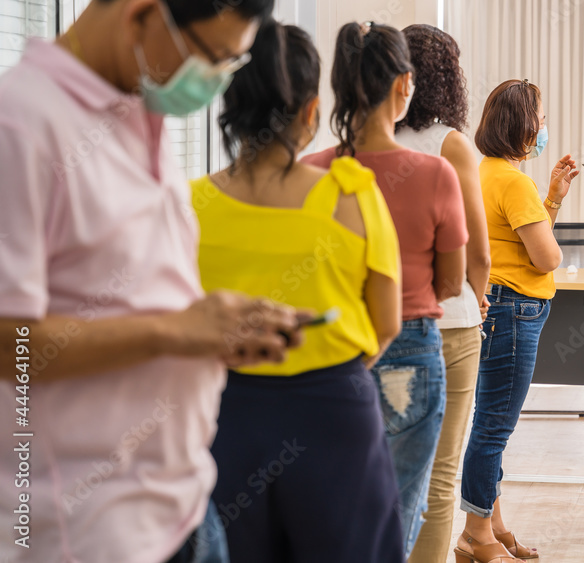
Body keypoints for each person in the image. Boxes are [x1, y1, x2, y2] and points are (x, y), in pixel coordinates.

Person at [0, 1, 309, 562]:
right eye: (213, 57)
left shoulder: (136, 110)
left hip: (185, 505)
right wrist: (177, 333)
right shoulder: (20, 125)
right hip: (90, 532)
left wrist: (220, 327)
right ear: (141, 14)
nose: (214, 79)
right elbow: (8, 344)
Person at [190, 20, 405, 562]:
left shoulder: (187, 206)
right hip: (336, 414)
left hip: (221, 416)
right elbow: (386, 324)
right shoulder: (353, 194)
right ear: (311, 110)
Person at [302, 22, 468, 558]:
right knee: (399, 509)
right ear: (404, 86)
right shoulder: (435, 173)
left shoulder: (310, 174)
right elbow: (450, 280)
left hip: (330, 351)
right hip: (410, 354)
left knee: (330, 501)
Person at [457, 79, 579, 563]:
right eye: (542, 120)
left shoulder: (481, 172)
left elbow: (514, 242)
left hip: (491, 307)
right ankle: (474, 534)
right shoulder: (513, 181)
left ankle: (492, 523)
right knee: (493, 429)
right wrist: (543, 202)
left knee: (487, 422)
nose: (544, 128)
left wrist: (552, 197)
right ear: (523, 127)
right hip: (514, 311)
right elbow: (546, 258)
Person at [395, 24, 493, 563]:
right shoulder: (451, 145)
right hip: (449, 325)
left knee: (388, 466)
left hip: (383, 321)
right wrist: (477, 296)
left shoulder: (371, 140)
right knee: (440, 472)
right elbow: (477, 249)